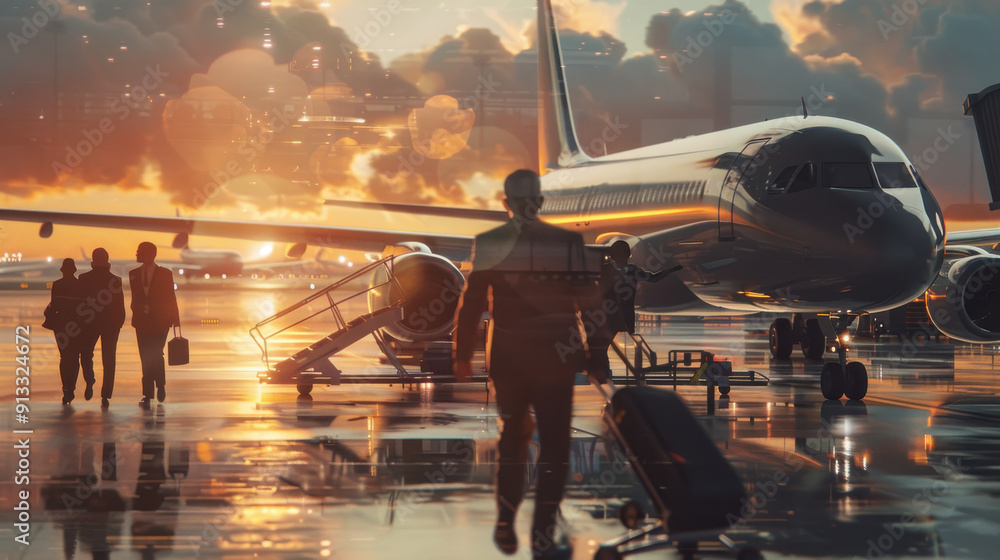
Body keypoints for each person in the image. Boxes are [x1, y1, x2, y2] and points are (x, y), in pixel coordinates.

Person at [453, 169, 597, 560]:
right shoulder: (568, 242)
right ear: (540, 202)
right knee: (555, 445)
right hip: (556, 355)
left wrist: (463, 354)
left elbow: (472, 304)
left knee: (513, 438)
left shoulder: (489, 243)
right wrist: (595, 355)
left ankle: (506, 518)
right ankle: (543, 530)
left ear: (505, 204)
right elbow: (591, 302)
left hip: (510, 355)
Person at [129, 242, 180, 406]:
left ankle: (160, 385)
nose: (136, 254)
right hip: (141, 322)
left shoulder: (165, 273)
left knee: (156, 354)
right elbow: (135, 297)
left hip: (160, 321)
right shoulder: (133, 274)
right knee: (145, 357)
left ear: (149, 254)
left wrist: (176, 319)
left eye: (139, 251)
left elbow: (171, 297)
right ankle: (148, 394)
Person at [79, 248, 126, 409]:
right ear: (107, 260)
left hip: (89, 323)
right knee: (109, 359)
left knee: (85, 355)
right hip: (111, 325)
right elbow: (120, 305)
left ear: (93, 260)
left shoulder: (83, 278)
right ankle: (106, 394)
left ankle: (90, 380)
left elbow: (79, 304)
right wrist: (119, 323)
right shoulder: (116, 280)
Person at [49, 258, 84, 405]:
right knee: (75, 358)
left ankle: (66, 389)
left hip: (61, 325)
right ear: (74, 270)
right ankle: (72, 388)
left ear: (62, 270)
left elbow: (54, 305)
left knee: (64, 358)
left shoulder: (57, 285)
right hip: (77, 325)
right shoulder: (80, 285)